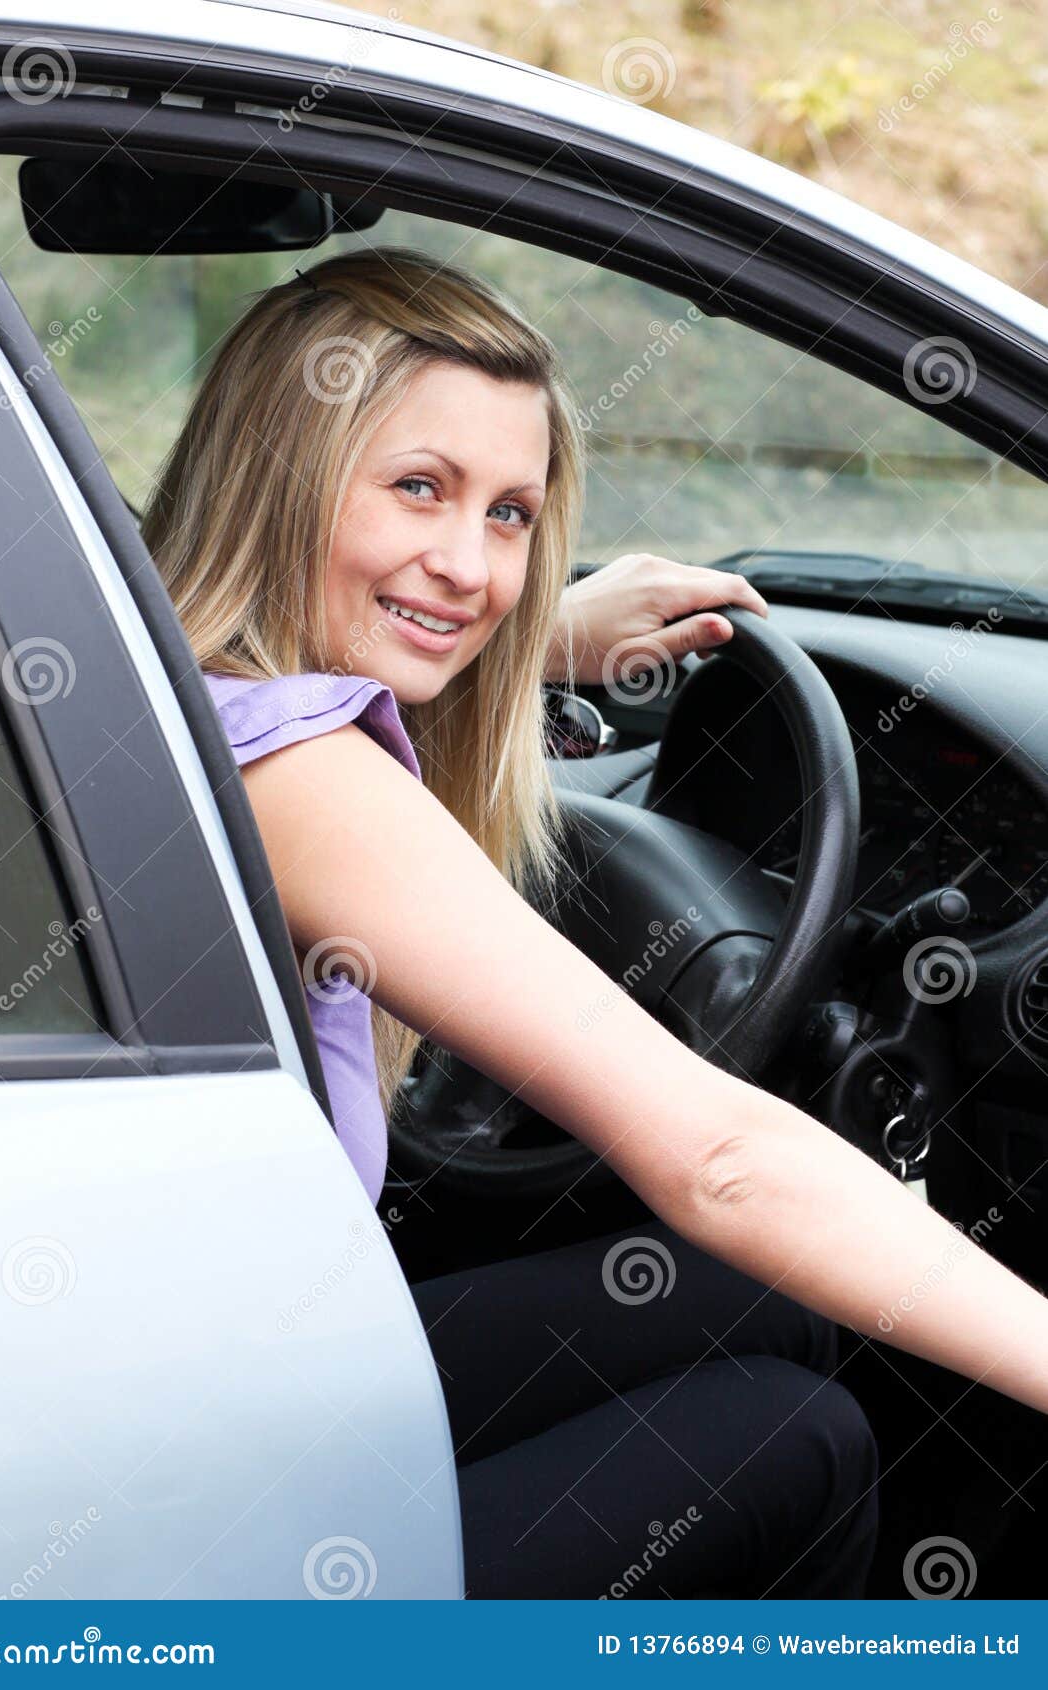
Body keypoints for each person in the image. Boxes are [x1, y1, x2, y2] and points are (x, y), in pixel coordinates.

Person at [142, 246, 1048, 1600]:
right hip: (196, 1530)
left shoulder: (124, 685)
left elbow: (370, 639)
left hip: (188, 1389)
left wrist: (538, 639)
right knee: (792, 1440)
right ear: (279, 475)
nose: (467, 565)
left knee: (760, 1306)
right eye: (416, 488)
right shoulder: (304, 776)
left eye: (510, 515)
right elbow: (721, 1159)